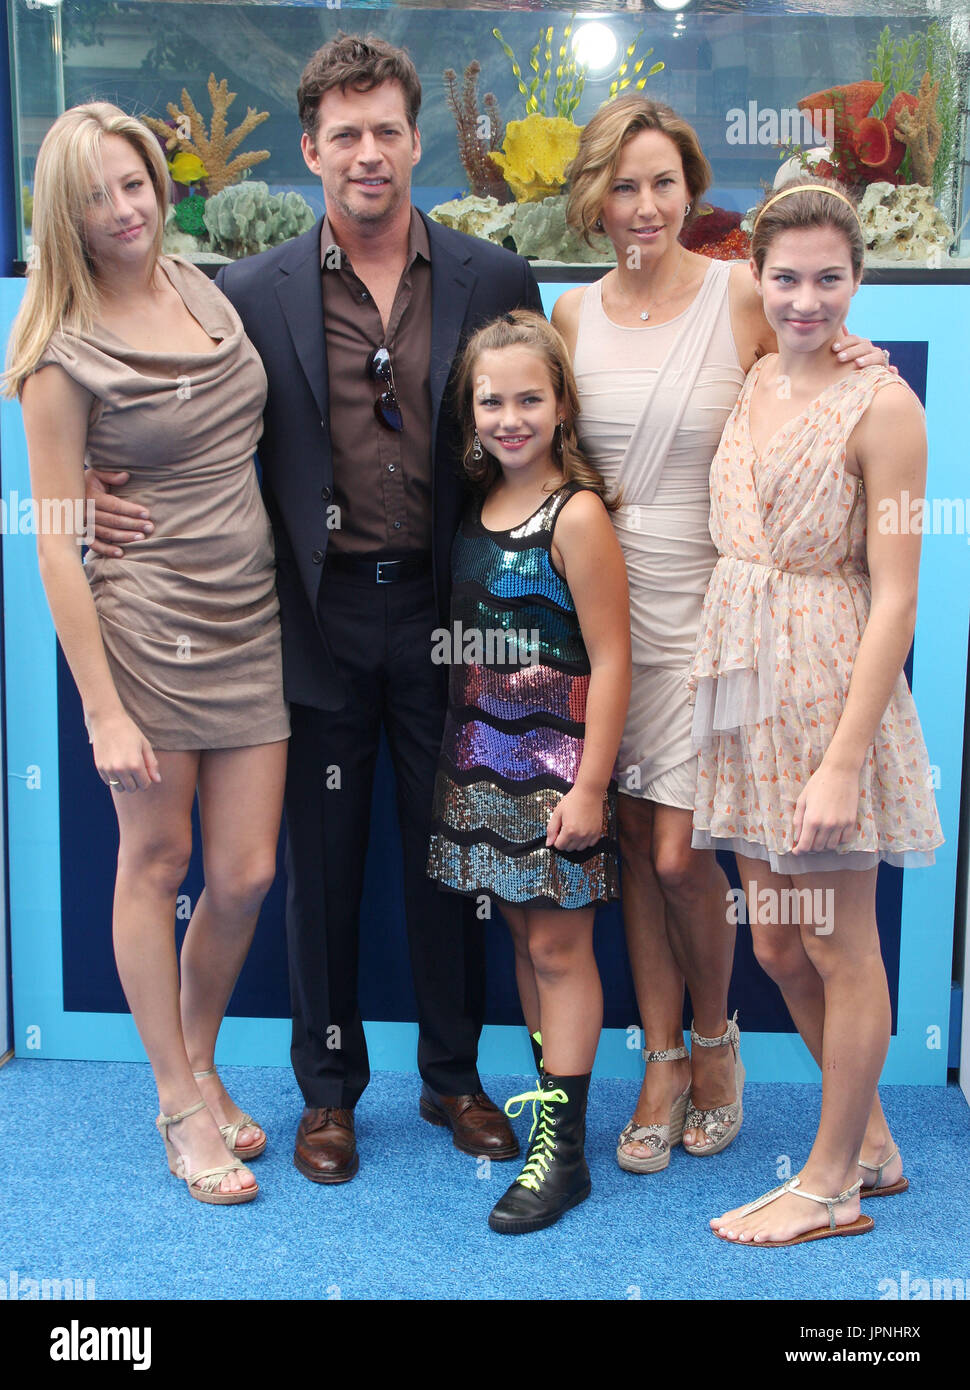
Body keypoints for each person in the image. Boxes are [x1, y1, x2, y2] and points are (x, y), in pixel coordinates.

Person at [88, 35, 545, 1182]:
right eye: (344, 133)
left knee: (453, 853)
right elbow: (166, 405)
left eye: (387, 127)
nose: (368, 151)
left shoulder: (496, 278)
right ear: (309, 152)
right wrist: (96, 484)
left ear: (414, 139)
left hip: (452, 615)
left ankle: (453, 1080)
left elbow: (546, 423)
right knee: (319, 868)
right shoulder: (247, 292)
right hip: (311, 614)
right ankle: (328, 1095)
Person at [552, 97, 891, 1173]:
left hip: (727, 618)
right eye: (621, 183)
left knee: (681, 853)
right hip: (612, 613)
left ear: (690, 189)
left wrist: (864, 360)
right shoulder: (569, 316)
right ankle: (661, 1058)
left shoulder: (744, 291)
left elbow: (815, 370)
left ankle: (716, 1040)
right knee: (634, 861)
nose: (643, 205)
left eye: (662, 181)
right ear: (592, 198)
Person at [8, 104, 290, 1204]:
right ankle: (176, 1101)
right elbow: (52, 551)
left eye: (133, 183)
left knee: (248, 871)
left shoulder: (206, 289)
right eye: (94, 195)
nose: (122, 210)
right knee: (156, 863)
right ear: (61, 215)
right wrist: (102, 711)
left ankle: (204, 1058)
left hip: (250, 618)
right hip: (146, 632)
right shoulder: (57, 357)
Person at [689, 176, 942, 1245]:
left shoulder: (886, 405)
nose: (805, 300)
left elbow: (898, 595)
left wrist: (843, 760)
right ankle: (872, 1139)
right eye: (785, 277)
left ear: (858, 281)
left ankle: (830, 1181)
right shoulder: (749, 371)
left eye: (828, 280)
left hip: (830, 687)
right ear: (756, 275)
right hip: (739, 690)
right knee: (782, 945)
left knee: (841, 948)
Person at [426, 310, 630, 1232]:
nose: (510, 417)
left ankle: (566, 1152)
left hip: (555, 769)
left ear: (561, 406)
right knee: (522, 943)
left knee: (559, 948)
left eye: (529, 399)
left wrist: (588, 785)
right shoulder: (477, 504)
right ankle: (549, 1113)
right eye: (491, 400)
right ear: (470, 413)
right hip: (483, 760)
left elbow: (616, 657)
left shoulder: (575, 514)